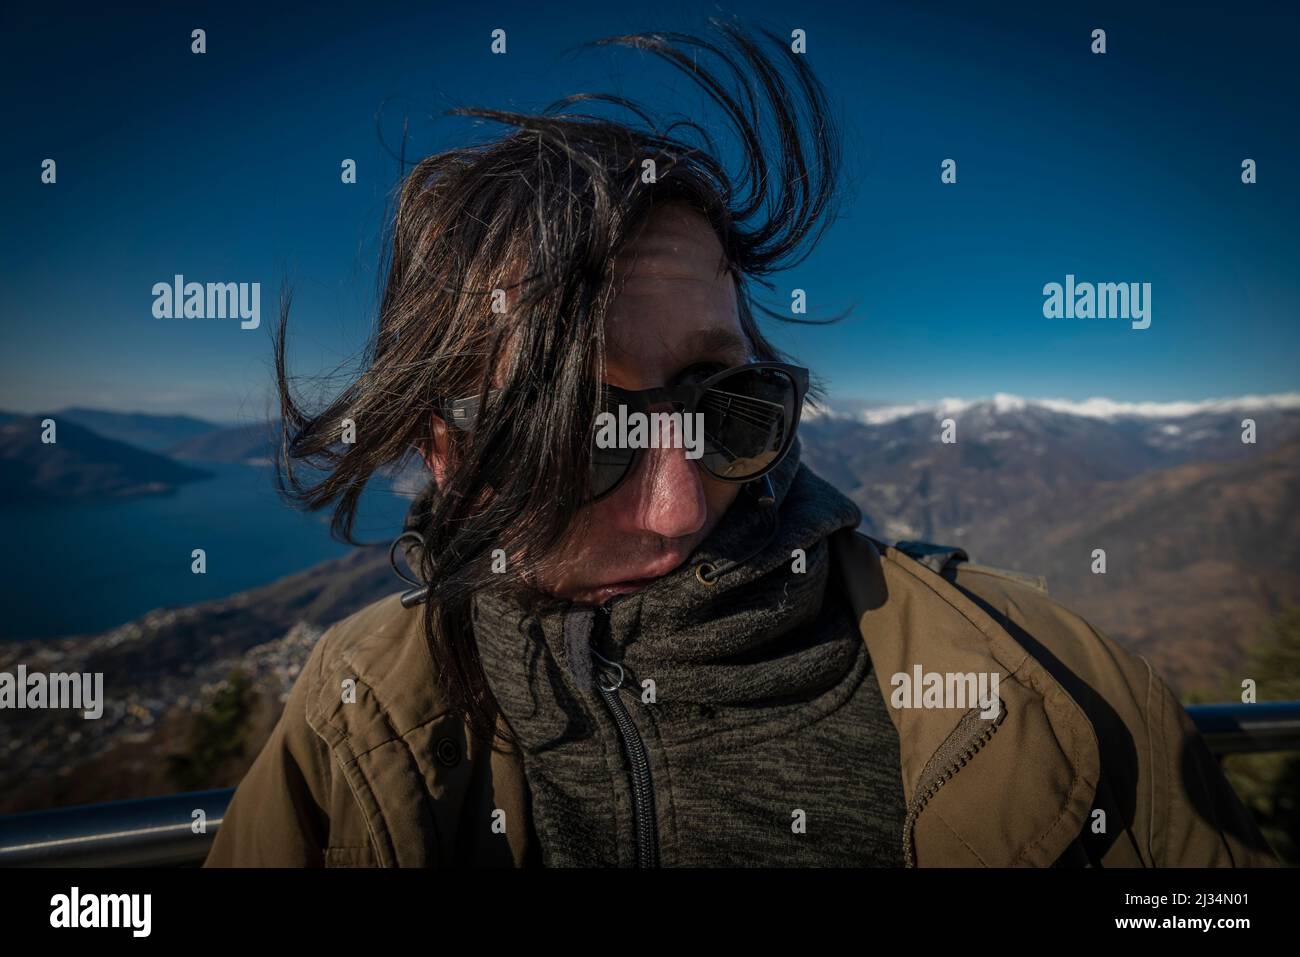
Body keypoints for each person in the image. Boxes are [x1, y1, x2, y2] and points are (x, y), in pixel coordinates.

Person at [205, 23, 1274, 868]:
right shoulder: (358, 720)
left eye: (726, 403)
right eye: (581, 433)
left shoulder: (1052, 688)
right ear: (443, 451)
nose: (680, 507)